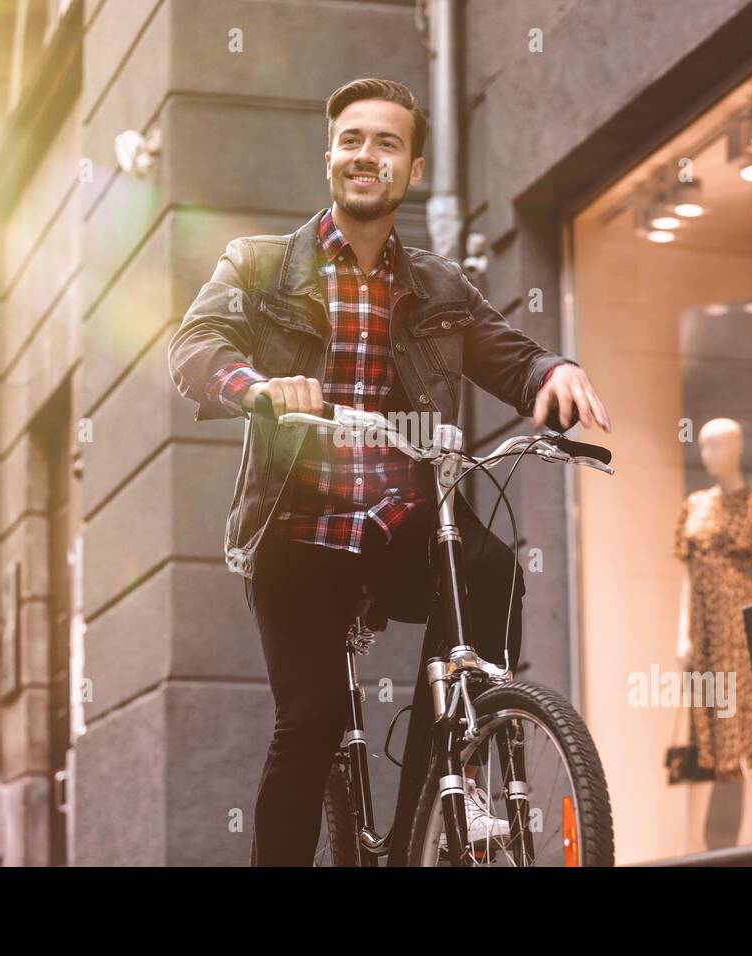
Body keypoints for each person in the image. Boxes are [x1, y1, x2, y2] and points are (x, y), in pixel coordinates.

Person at [168, 77, 610, 866]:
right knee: (310, 723)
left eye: (386, 143)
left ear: (412, 170)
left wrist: (553, 371)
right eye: (351, 140)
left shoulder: (438, 284)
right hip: (299, 529)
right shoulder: (262, 265)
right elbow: (197, 347)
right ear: (330, 157)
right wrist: (261, 389)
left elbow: (508, 354)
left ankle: (446, 761)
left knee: (492, 570)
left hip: (401, 518)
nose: (364, 155)